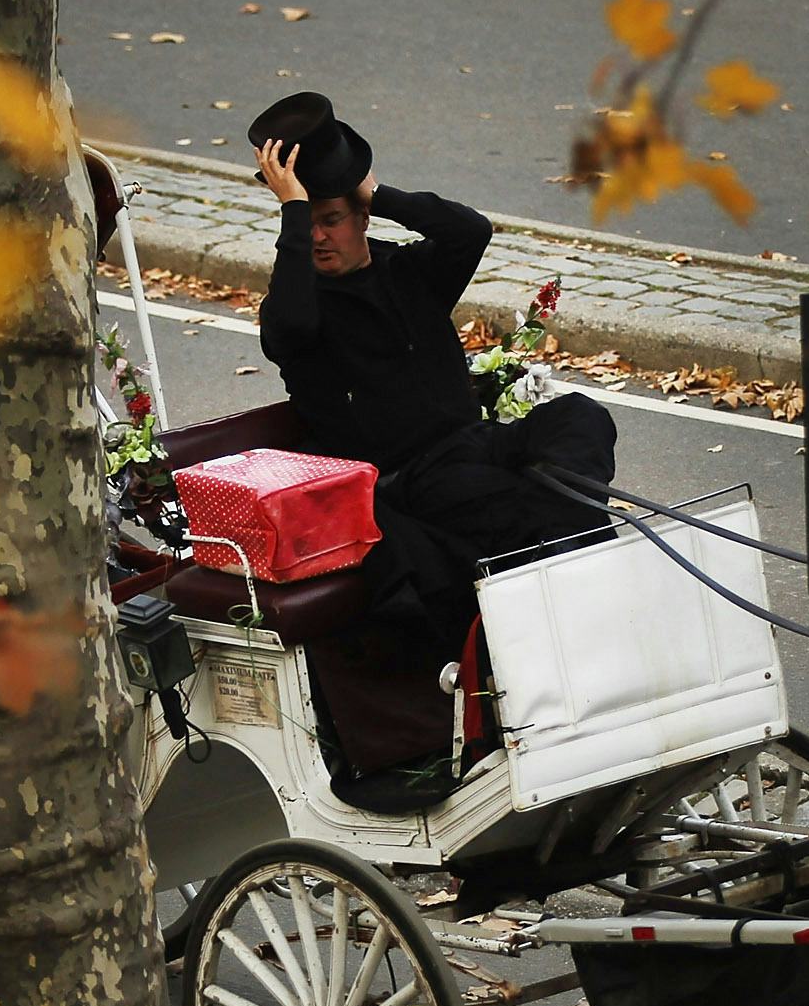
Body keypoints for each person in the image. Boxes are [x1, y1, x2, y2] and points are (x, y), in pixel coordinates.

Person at [246, 92, 617, 651]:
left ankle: (572, 549)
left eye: (332, 220)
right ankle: (583, 573)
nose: (319, 237)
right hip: (408, 479)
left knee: (581, 418)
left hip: (479, 441)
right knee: (511, 501)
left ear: (362, 216)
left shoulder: (407, 269)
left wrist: (378, 193)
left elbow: (471, 231)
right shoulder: (296, 309)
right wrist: (293, 211)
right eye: (309, 224)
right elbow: (292, 320)